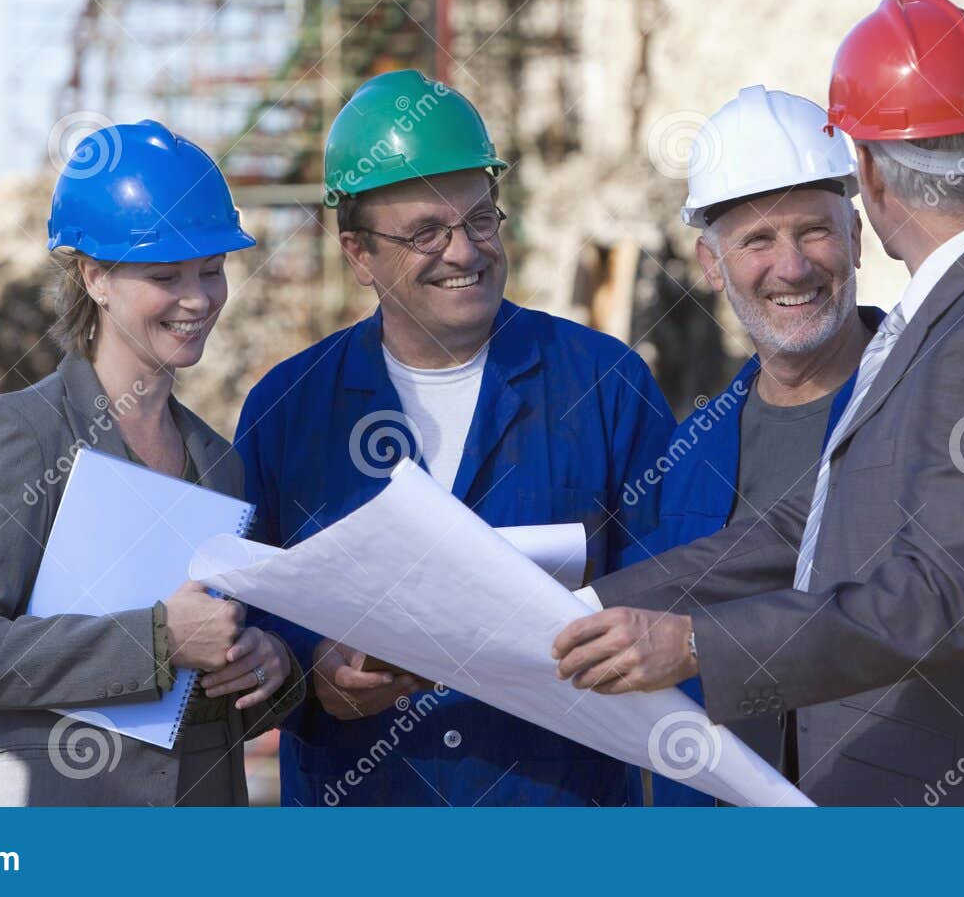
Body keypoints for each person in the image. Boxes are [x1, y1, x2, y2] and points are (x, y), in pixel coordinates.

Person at [556, 0, 964, 807]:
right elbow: (819, 520)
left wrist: (692, 645)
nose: (789, 264)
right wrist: (577, 608)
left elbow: (935, 597)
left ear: (870, 176)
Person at [235, 69, 675, 806]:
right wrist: (315, 669)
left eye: (479, 219)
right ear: (358, 253)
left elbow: (679, 588)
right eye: (425, 233)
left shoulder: (605, 383)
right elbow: (241, 616)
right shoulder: (287, 410)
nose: (465, 252)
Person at [0, 120, 303, 805]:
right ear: (94, 276)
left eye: (212, 270)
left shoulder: (217, 460)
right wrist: (157, 639)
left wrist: (271, 666)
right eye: (165, 274)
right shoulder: (23, 434)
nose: (198, 299)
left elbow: (212, 684)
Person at [624, 86, 882, 805]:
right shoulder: (688, 458)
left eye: (814, 231)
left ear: (857, 236)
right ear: (712, 264)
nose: (792, 267)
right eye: (758, 240)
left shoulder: (921, 408)